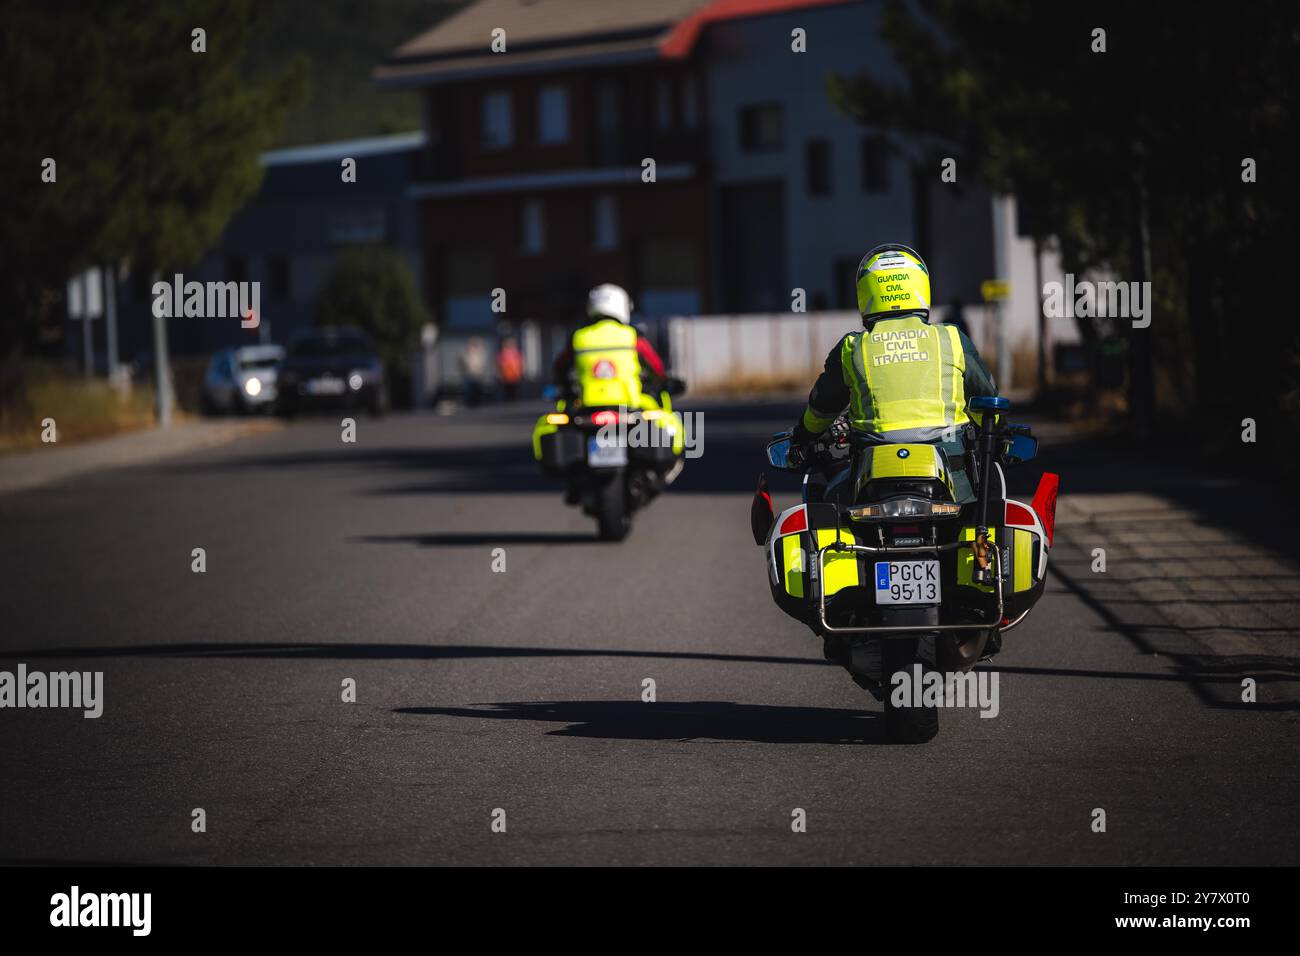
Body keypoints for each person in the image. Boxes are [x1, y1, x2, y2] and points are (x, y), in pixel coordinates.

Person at [790, 243, 997, 502]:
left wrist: (802, 436)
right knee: (983, 513)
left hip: (870, 480)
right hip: (951, 478)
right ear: (921, 286)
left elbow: (821, 409)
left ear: (866, 292)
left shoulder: (852, 348)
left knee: (832, 503)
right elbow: (988, 402)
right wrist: (999, 434)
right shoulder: (951, 339)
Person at [552, 284, 668, 408]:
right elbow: (656, 366)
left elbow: (560, 369)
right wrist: (662, 381)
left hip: (585, 406)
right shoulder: (632, 336)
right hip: (630, 406)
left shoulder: (578, 337)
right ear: (624, 307)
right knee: (666, 418)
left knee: (551, 421)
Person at [496, 336, 524, 402]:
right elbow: (499, 363)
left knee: (514, 387)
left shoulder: (515, 352)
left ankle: (514, 399)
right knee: (507, 388)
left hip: (515, 373)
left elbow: (520, 362)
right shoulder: (503, 352)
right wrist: (499, 372)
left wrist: (521, 371)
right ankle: (508, 399)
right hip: (506, 373)